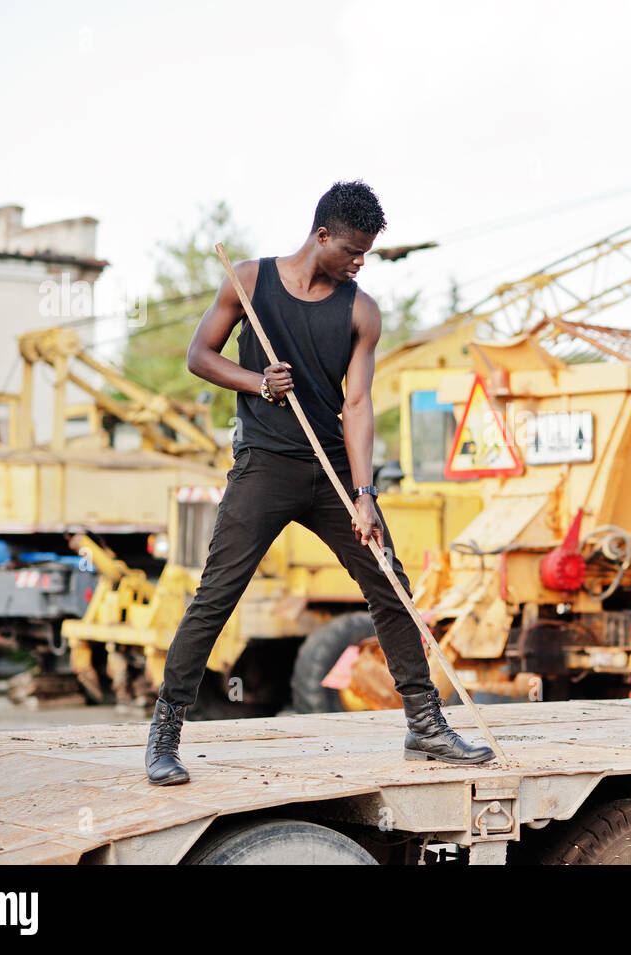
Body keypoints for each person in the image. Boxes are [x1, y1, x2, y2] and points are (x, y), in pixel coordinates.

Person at [144, 181, 494, 785]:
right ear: (322, 235)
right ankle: (165, 734)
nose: (360, 263)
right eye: (353, 251)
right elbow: (199, 356)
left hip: (333, 470)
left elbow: (357, 404)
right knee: (216, 596)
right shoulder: (249, 282)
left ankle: (425, 725)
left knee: (390, 587)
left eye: (368, 254)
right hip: (265, 465)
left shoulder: (362, 312)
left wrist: (364, 496)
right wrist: (256, 382)